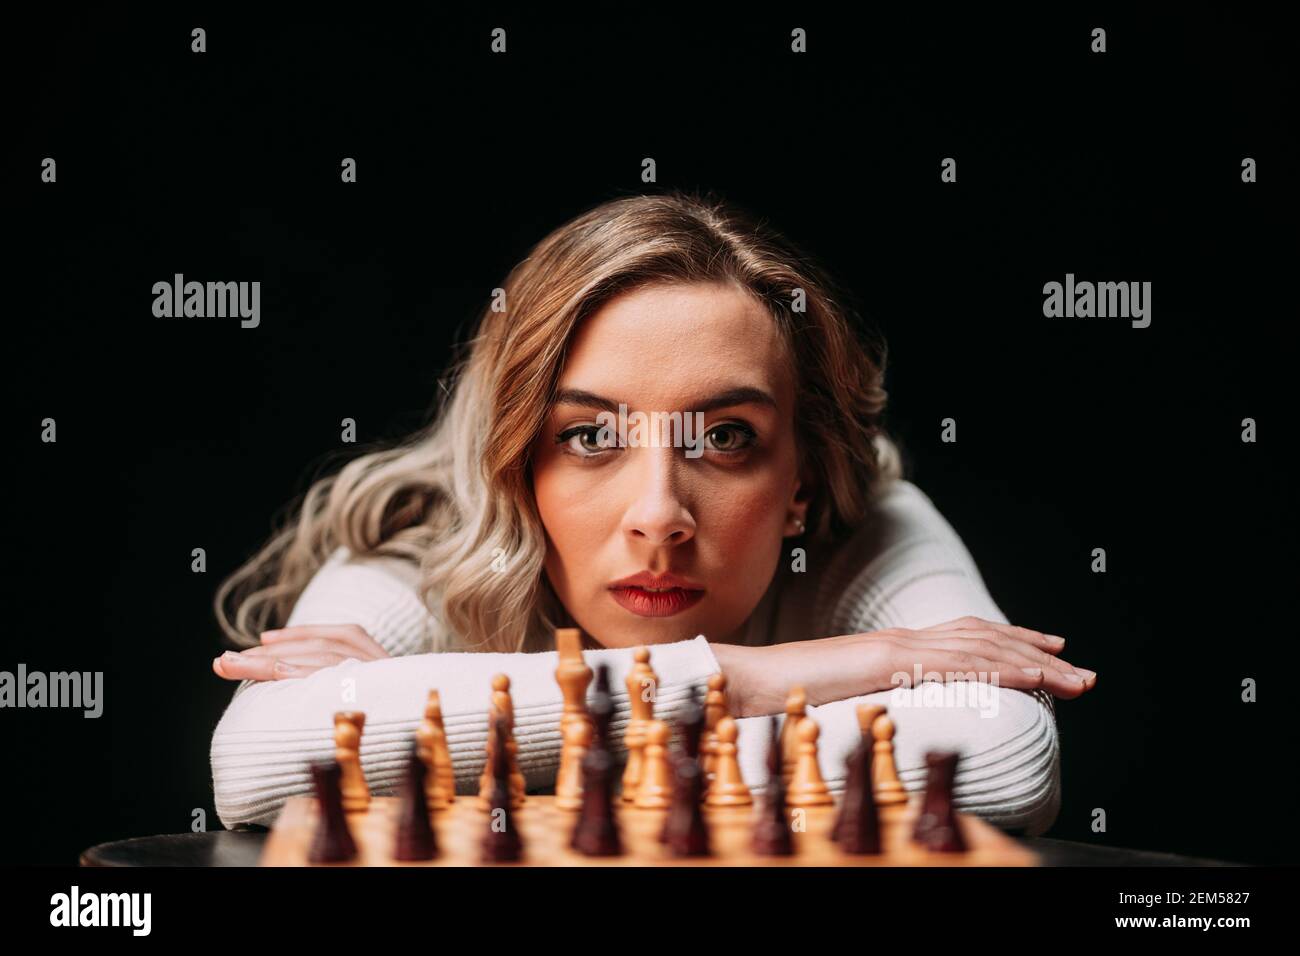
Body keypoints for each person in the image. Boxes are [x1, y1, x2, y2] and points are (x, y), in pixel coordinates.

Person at [209, 190, 1094, 833]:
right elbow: (257, 760)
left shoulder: (875, 532)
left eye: (728, 438)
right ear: (516, 466)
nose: (659, 515)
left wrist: (471, 753)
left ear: (803, 481)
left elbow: (1001, 754)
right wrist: (747, 682)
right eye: (591, 437)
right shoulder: (423, 545)